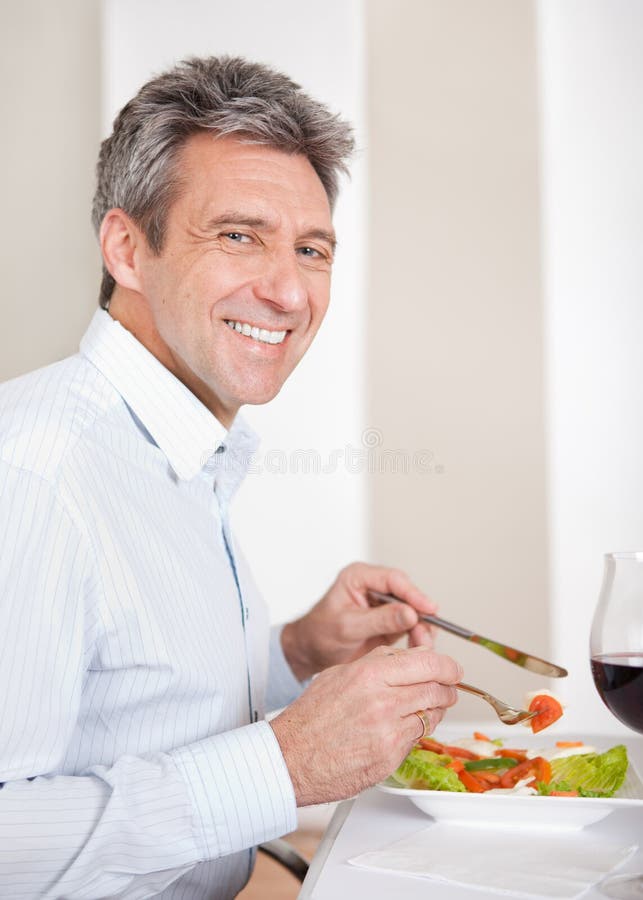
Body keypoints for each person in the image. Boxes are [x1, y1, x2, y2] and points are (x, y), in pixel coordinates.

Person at [0, 56, 462, 898]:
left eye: (311, 248)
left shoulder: (181, 448)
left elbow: (124, 711)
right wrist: (283, 763)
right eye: (238, 235)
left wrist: (293, 655)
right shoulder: (33, 475)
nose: (287, 290)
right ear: (127, 249)